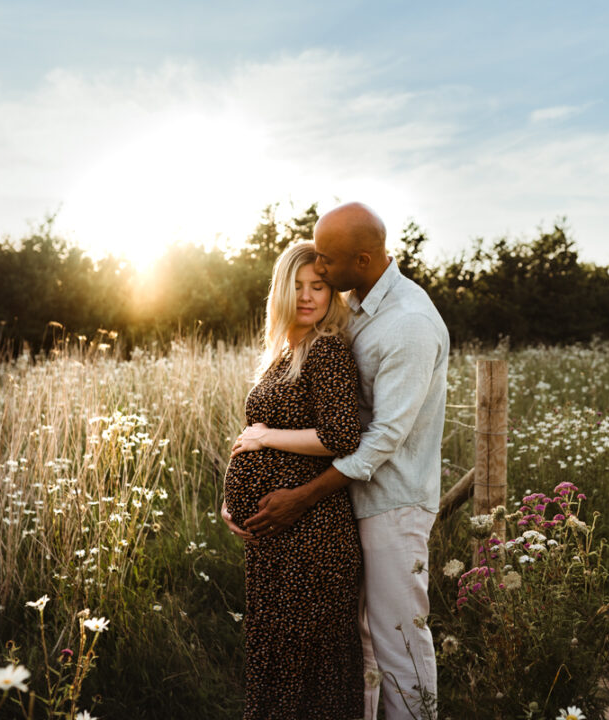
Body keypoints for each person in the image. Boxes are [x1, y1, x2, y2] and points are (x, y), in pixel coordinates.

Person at [231, 202, 450, 719]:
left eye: (326, 262)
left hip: (392, 501)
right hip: (346, 501)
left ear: (364, 257)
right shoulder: (357, 310)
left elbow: (377, 439)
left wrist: (301, 497)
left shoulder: (409, 323)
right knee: (363, 647)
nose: (320, 270)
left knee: (399, 639)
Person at [220, 240, 364, 719]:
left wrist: (267, 439)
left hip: (313, 536)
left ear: (332, 294)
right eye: (297, 286)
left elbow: (341, 436)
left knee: (307, 665)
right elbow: (253, 437)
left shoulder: (325, 350)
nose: (307, 297)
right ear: (280, 291)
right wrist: (231, 500)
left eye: (318, 287)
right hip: (276, 539)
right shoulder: (285, 353)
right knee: (278, 656)